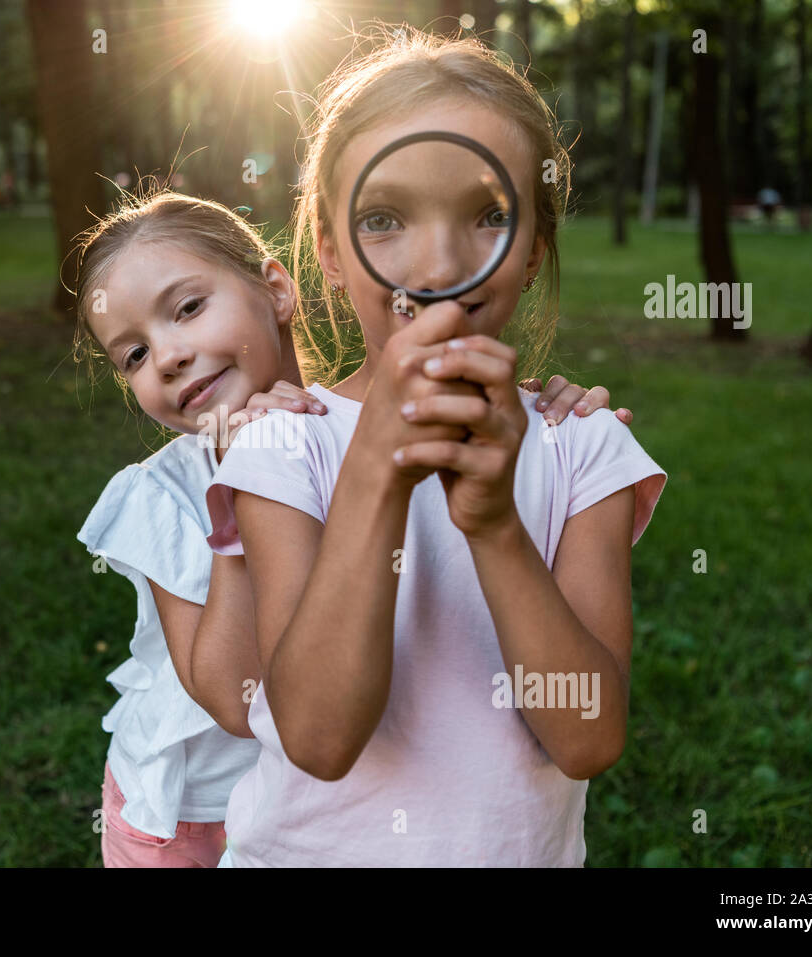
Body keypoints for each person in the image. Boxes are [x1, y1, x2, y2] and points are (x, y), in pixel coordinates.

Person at [200, 25, 667, 866]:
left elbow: (588, 738)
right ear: (330, 256)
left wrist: (493, 525)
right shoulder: (284, 445)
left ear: (534, 253)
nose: (440, 261)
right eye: (384, 218)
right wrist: (376, 468)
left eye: (489, 215)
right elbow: (318, 735)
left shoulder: (583, 446)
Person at [71, 187, 626, 866]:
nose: (168, 356)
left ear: (277, 289)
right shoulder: (158, 495)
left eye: (188, 308)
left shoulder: (340, 434)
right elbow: (233, 698)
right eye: (133, 355)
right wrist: (238, 478)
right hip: (181, 816)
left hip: (299, 805)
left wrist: (543, 411)